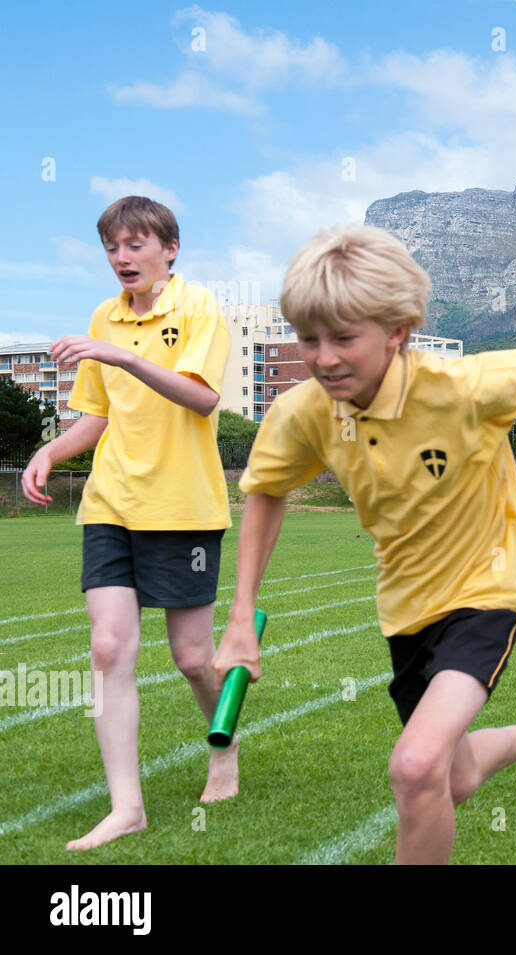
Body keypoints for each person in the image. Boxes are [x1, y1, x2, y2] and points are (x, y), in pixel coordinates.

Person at [214, 225, 516, 864]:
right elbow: (264, 492)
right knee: (444, 779)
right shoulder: (304, 413)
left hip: (489, 587)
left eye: (344, 338)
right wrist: (240, 615)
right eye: (308, 338)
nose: (324, 358)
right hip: (405, 608)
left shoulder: (463, 387)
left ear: (398, 329)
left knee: (414, 766)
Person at [21, 196, 233, 849]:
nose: (121, 257)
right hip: (111, 503)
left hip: (184, 506)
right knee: (109, 647)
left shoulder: (199, 308)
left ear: (170, 248)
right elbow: (99, 415)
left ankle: (224, 747)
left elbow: (201, 397)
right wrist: (52, 450)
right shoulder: (102, 319)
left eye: (135, 244)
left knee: (194, 657)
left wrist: (123, 358)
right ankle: (127, 807)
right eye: (112, 246)